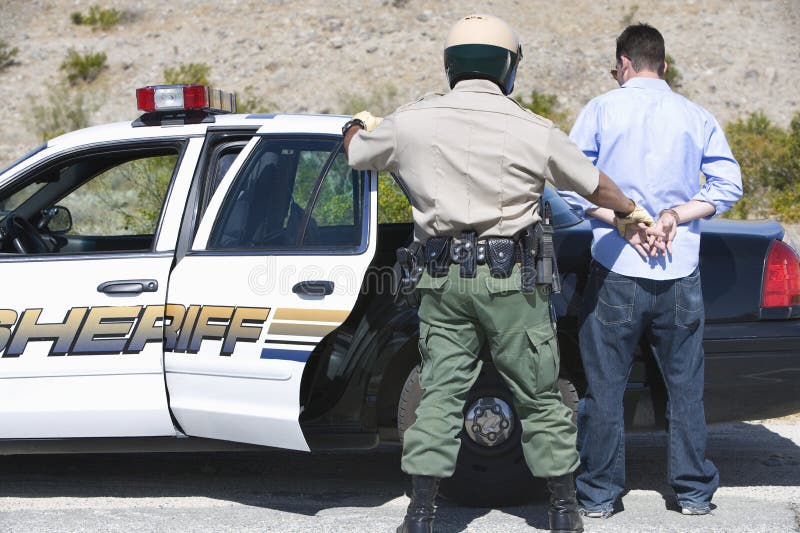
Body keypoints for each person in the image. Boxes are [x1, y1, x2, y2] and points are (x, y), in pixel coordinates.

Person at [343, 14, 657, 533]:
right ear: (507, 67)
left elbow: (356, 154)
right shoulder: (531, 128)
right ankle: (562, 513)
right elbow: (591, 185)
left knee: (440, 396)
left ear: (451, 66)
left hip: (442, 283)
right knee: (538, 394)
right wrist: (627, 209)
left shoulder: (412, 121)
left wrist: (358, 124)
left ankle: (420, 516)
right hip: (513, 283)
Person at [559, 23, 743, 518]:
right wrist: (673, 217)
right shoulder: (695, 115)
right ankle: (693, 494)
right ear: (662, 64)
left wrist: (620, 221)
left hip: (616, 267)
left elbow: (568, 186)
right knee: (685, 388)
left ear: (623, 63)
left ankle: (598, 496)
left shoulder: (601, 109)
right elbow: (728, 184)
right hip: (680, 270)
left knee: (604, 389)